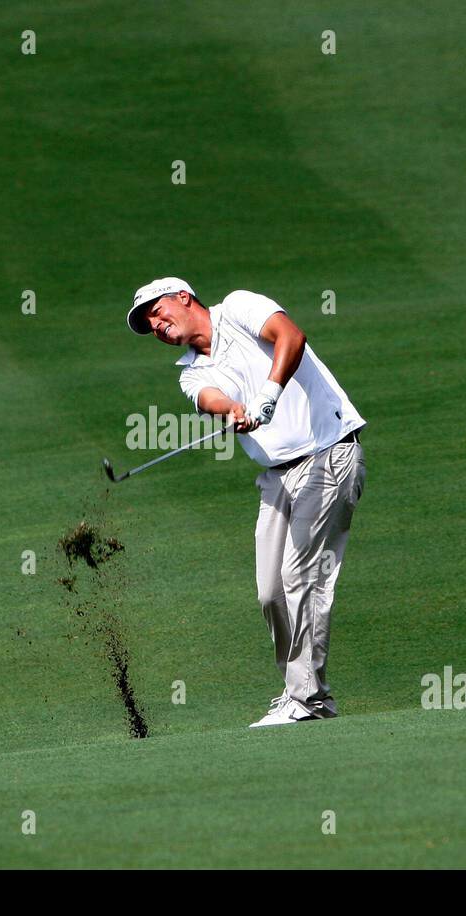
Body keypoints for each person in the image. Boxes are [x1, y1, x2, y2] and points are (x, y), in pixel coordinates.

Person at [126, 278, 367, 727]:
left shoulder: (238, 307)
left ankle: (306, 699)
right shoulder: (190, 371)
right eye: (148, 325)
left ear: (183, 297)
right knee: (270, 591)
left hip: (328, 450)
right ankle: (303, 695)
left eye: (157, 312)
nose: (156, 325)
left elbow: (291, 337)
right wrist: (232, 409)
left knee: (301, 577)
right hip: (277, 476)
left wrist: (269, 395)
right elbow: (209, 397)